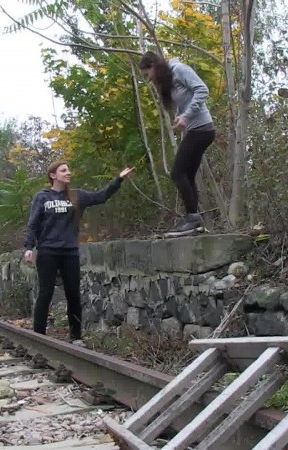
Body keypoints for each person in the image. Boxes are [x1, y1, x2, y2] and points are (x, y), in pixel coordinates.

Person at [23, 161, 135, 346]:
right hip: (47, 251)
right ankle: (39, 336)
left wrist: (118, 179)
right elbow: (33, 224)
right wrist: (28, 247)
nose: (68, 173)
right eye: (63, 170)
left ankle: (76, 337)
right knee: (45, 293)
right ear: (53, 175)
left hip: (70, 252)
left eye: (68, 169)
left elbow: (101, 196)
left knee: (73, 294)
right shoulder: (42, 197)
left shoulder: (77, 196)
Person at [139, 50, 216, 236]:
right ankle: (194, 218)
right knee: (187, 174)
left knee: (177, 173)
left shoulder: (179, 69)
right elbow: (183, 104)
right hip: (195, 131)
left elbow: (202, 89)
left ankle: (192, 217)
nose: (148, 79)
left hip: (203, 129)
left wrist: (186, 116)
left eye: (147, 74)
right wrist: (181, 119)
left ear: (154, 66)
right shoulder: (168, 81)